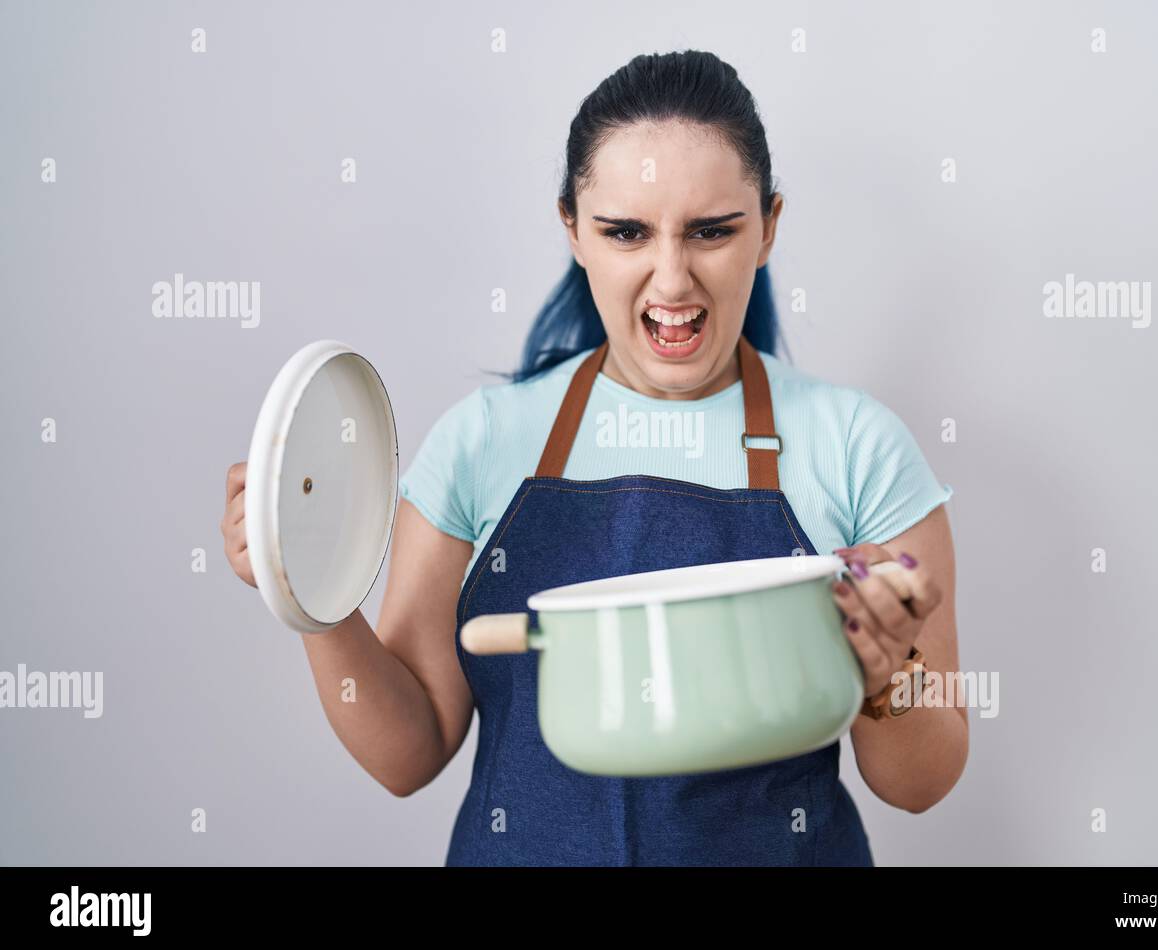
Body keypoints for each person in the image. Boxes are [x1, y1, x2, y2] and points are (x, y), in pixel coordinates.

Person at [221, 50, 966, 866]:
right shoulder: (480, 443)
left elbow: (922, 783)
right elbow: (410, 751)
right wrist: (307, 592)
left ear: (769, 229)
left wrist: (892, 674)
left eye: (712, 231)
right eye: (626, 232)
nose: (672, 277)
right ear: (574, 229)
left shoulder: (861, 450)